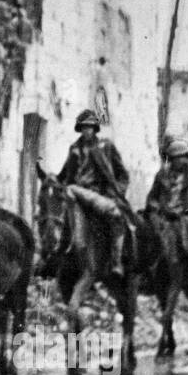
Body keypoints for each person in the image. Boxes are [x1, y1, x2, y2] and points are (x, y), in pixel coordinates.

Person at [56, 109, 131, 277]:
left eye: (89, 127)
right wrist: (51, 179)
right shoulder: (74, 149)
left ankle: (117, 260)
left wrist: (118, 192)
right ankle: (59, 259)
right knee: (69, 231)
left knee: (117, 219)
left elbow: (122, 174)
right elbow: (64, 175)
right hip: (77, 198)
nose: (86, 131)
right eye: (83, 127)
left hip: (100, 195)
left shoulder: (105, 146)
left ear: (95, 128)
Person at [146, 138, 188, 286]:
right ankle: (150, 274)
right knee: (150, 236)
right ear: (170, 159)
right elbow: (152, 197)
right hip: (166, 217)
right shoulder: (162, 175)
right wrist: (155, 207)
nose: (180, 161)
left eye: (183, 157)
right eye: (175, 158)